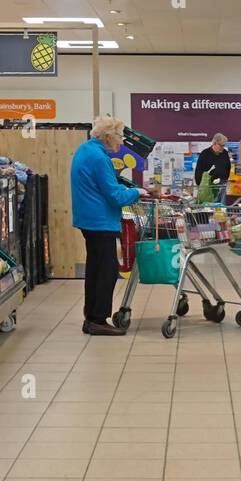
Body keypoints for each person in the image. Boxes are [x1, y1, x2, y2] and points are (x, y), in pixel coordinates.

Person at [71, 115, 150, 336]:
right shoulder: (99, 157)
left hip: (88, 219)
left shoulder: (85, 150)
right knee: (106, 271)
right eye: (119, 137)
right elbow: (115, 196)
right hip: (100, 221)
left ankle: (91, 317)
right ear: (107, 137)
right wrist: (136, 192)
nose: (122, 142)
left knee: (95, 269)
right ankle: (98, 319)